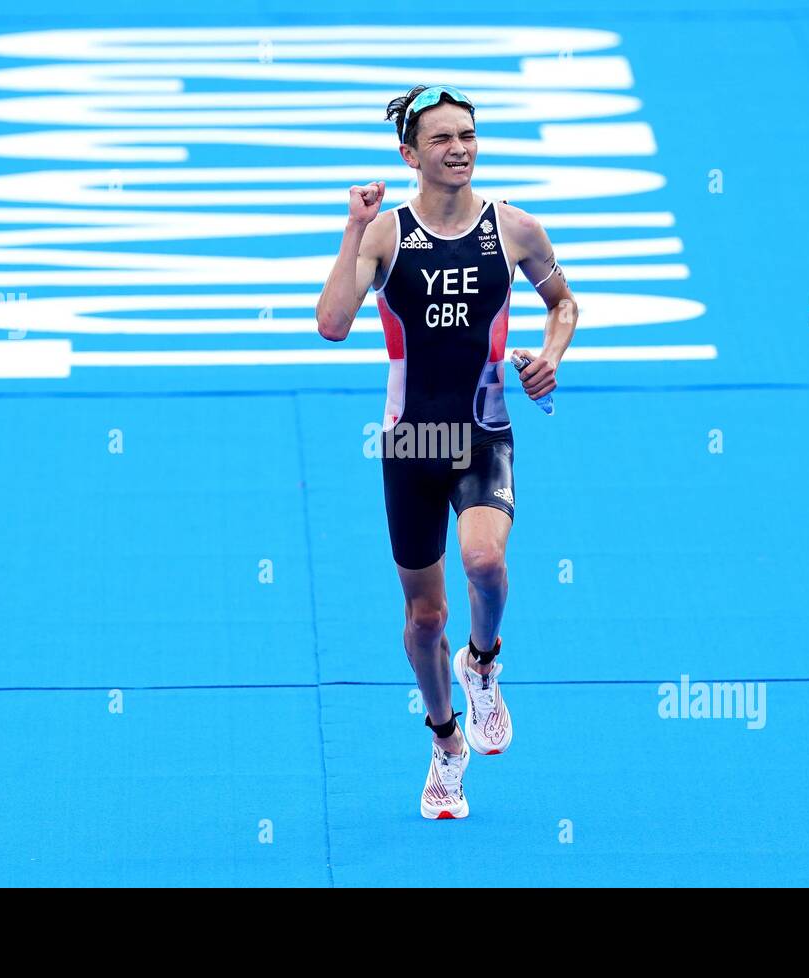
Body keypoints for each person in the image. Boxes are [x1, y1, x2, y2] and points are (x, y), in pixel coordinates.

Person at [316, 84, 577, 818]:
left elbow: (563, 304)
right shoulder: (385, 235)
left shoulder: (516, 229)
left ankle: (484, 663)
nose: (459, 147)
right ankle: (445, 742)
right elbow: (333, 323)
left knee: (485, 561)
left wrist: (551, 356)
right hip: (411, 443)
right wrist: (351, 228)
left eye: (467, 134)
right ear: (409, 154)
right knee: (424, 618)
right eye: (441, 139)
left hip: (482, 430)